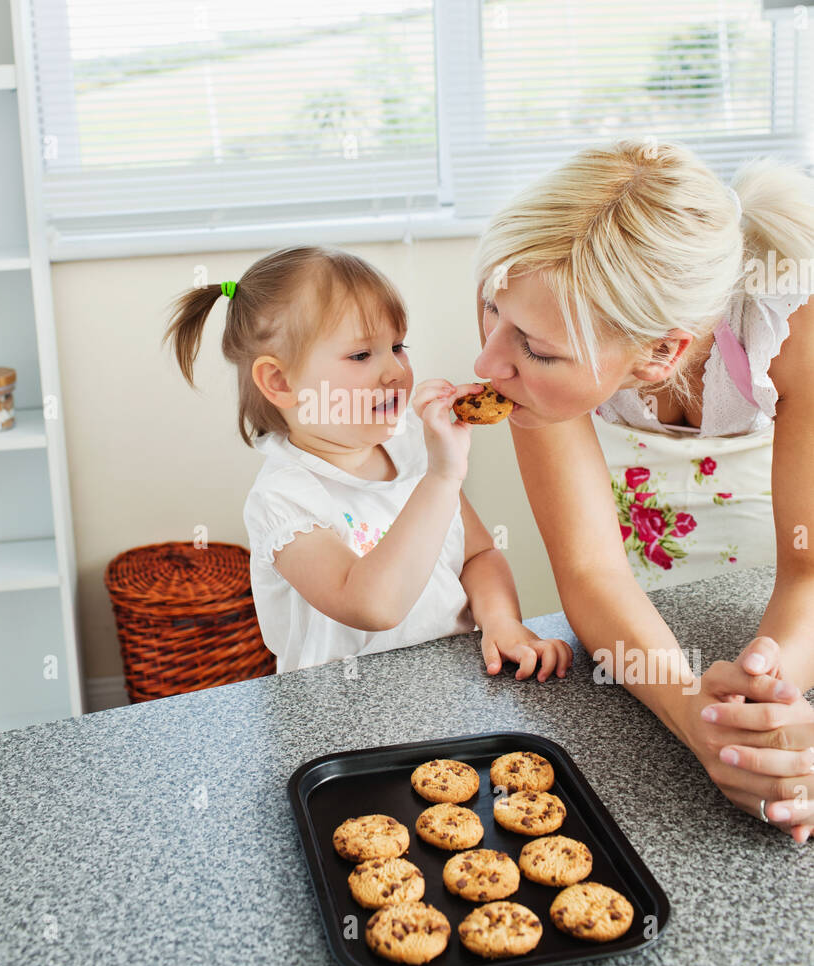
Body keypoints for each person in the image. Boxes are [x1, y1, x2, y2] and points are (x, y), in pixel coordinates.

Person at [472, 137, 814, 842]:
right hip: (639, 584)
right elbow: (591, 568)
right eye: (492, 313)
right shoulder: (530, 290)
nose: (487, 361)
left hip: (764, 568)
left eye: (537, 350)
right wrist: (695, 715)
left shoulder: (795, 323)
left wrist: (761, 697)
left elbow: (807, 568)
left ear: (663, 351)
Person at [164, 245, 572, 677]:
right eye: (361, 355)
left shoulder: (414, 446)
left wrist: (501, 622)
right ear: (280, 381)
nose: (395, 371)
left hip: (452, 690)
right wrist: (441, 477)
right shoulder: (284, 500)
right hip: (343, 716)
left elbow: (479, 556)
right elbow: (373, 606)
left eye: (397, 345)